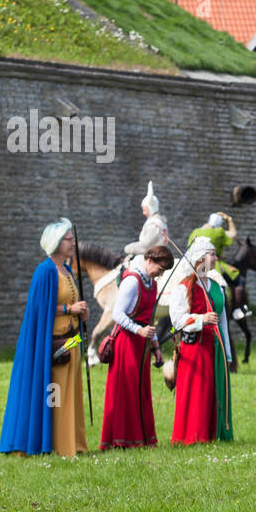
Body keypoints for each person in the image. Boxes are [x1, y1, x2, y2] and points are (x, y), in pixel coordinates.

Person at [0, 219, 88, 458]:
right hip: (53, 342)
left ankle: (72, 443)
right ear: (56, 243)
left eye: (72, 239)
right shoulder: (44, 271)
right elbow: (39, 309)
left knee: (70, 392)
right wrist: (70, 310)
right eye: (68, 240)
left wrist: (81, 312)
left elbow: (69, 303)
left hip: (72, 339)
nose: (72, 243)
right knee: (55, 394)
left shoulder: (67, 270)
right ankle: (55, 443)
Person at [100, 246, 172, 449]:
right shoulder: (132, 281)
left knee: (140, 391)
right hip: (126, 342)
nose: (161, 273)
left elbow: (150, 319)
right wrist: (138, 331)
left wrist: (156, 346)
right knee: (125, 391)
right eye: (160, 268)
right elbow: (118, 314)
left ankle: (141, 439)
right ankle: (120, 440)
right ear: (150, 260)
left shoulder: (152, 284)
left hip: (142, 343)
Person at [168, 237, 233, 444]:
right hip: (196, 346)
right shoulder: (185, 287)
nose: (215, 257)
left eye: (214, 253)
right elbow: (177, 320)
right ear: (200, 257)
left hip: (217, 345)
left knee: (216, 390)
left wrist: (228, 353)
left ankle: (216, 434)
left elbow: (222, 322)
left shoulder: (216, 286)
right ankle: (195, 435)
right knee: (199, 391)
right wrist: (201, 319)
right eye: (211, 254)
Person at [124, 182, 168, 257]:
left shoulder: (154, 225)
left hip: (154, 258)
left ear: (150, 209)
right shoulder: (160, 222)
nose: (143, 213)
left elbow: (145, 246)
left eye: (144, 210)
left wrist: (128, 248)